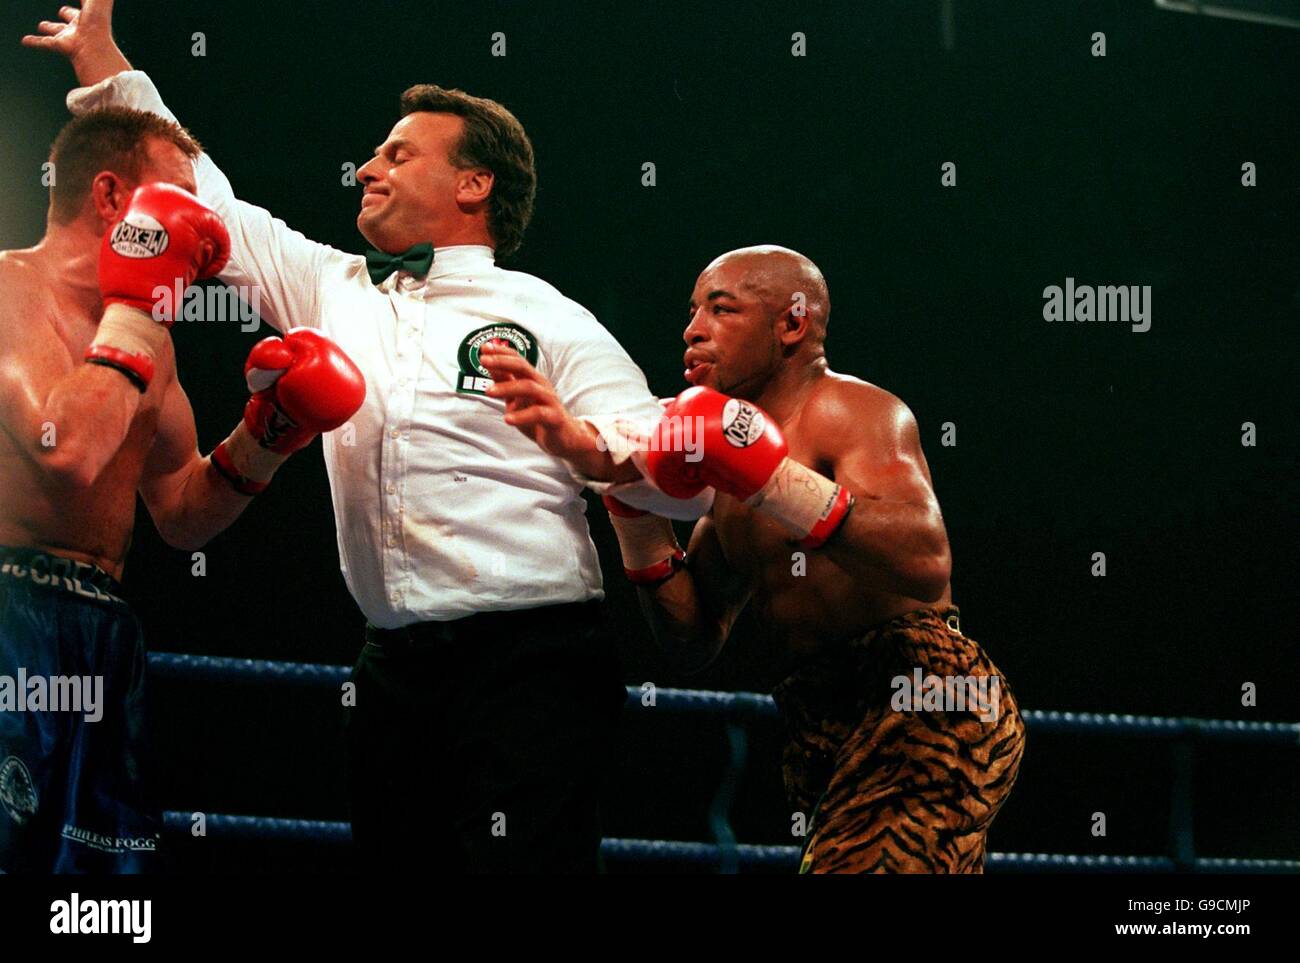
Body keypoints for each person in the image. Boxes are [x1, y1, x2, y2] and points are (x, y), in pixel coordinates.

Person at [27, 0, 711, 873]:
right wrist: (104, 60)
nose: (367, 169)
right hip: (392, 665)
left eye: (398, 153)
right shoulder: (329, 286)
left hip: (534, 662)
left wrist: (588, 449)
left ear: (474, 185)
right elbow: (204, 196)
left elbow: (669, 462)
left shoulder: (549, 317)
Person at [481, 245, 1026, 873]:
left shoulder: (851, 411)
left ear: (791, 324)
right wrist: (631, 505)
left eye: (722, 309)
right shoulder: (728, 473)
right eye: (691, 312)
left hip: (924, 700)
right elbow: (692, 639)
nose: (692, 329)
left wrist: (773, 480)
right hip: (822, 719)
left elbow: (923, 559)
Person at [0, 104, 364, 872]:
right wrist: (137, 305)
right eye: (180, 203)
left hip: (105, 632)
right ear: (110, 198)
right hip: (8, 616)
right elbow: (64, 451)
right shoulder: (10, 292)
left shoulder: (150, 342)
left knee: (104, 891)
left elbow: (181, 513)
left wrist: (264, 439)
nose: (205, 233)